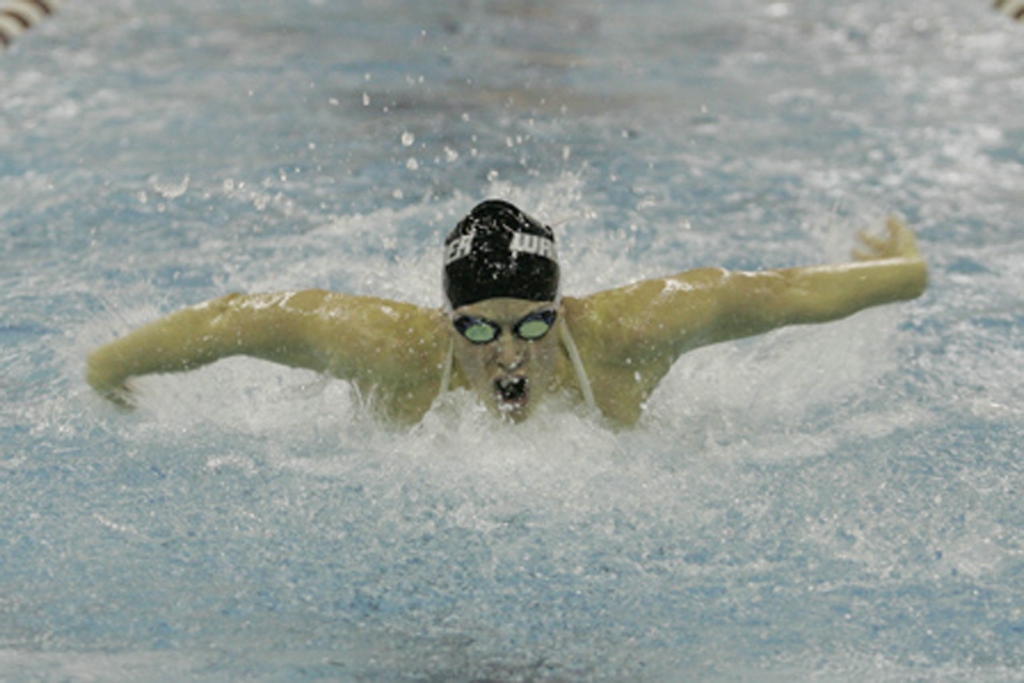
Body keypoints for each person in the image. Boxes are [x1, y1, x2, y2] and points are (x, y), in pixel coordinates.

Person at [87, 200, 928, 426]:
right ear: (446, 320)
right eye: (479, 328)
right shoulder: (392, 350)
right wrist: (111, 370)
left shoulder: (630, 333)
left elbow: (777, 294)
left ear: (562, 309)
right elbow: (237, 320)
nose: (508, 355)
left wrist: (904, 270)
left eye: (532, 324)